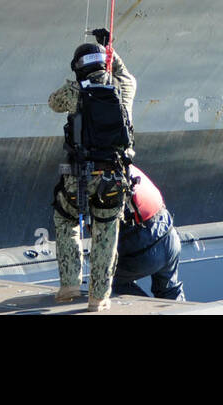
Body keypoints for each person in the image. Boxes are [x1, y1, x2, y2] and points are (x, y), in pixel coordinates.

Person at [48, 32, 136, 311]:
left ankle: (70, 284)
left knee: (65, 220)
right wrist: (112, 51)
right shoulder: (123, 88)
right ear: (104, 63)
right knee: (105, 235)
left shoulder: (73, 93)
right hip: (112, 178)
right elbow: (126, 74)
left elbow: (53, 102)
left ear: (78, 66)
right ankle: (98, 298)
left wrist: (77, 83)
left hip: (77, 177)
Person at [113, 163, 184, 300]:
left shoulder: (103, 180)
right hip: (169, 235)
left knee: (105, 283)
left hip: (145, 249)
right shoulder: (127, 167)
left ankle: (143, 306)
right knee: (169, 291)